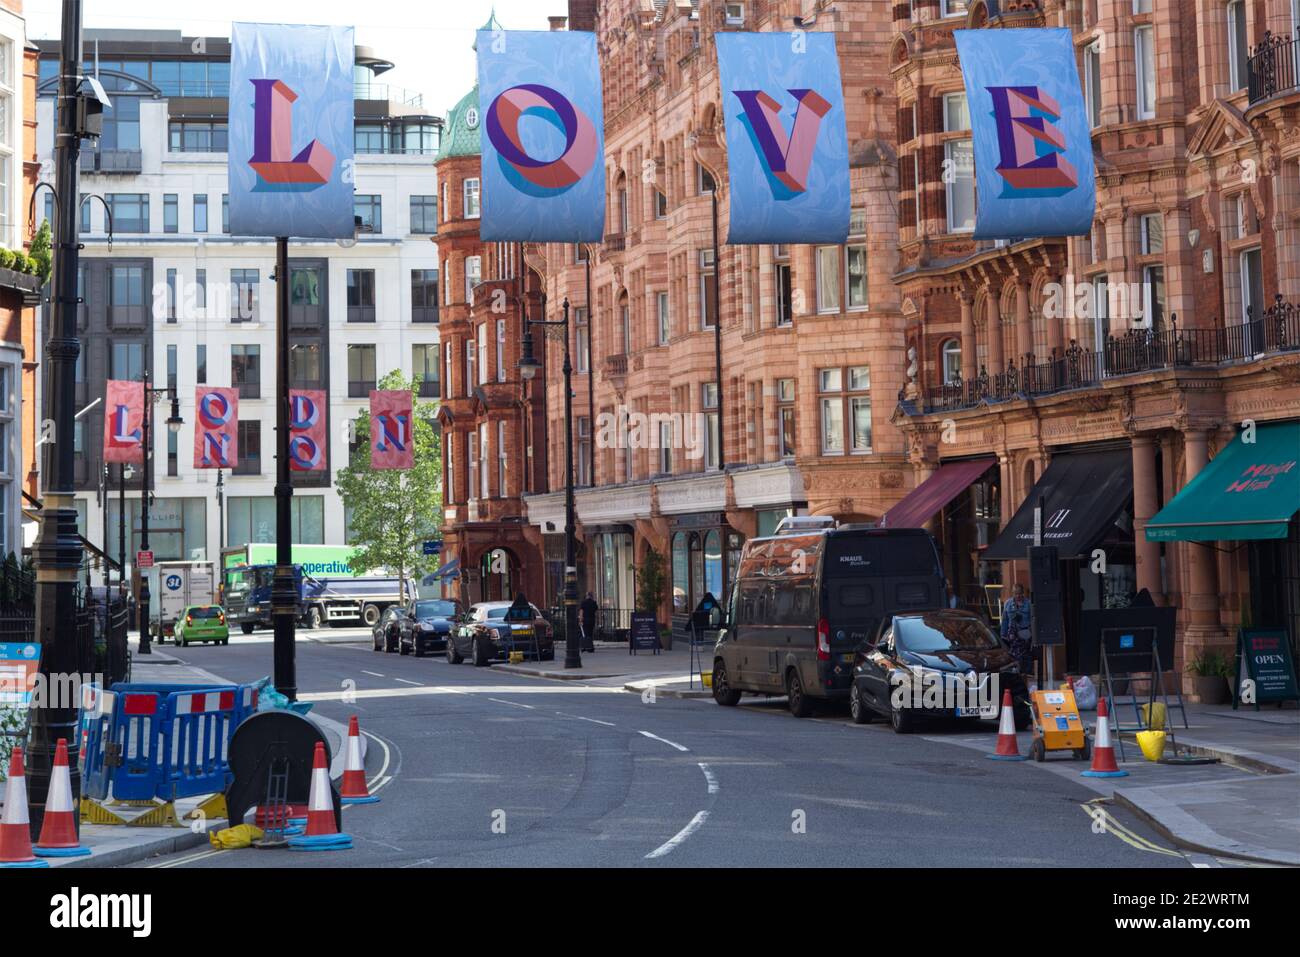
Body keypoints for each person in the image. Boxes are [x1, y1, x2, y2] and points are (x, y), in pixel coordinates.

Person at [1000, 583, 1034, 672]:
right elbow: (1005, 620)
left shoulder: (1028, 604)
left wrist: (1032, 633)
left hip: (1025, 633)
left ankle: (1026, 673)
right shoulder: (1008, 603)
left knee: (1025, 655)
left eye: (1020, 593)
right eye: (1016, 593)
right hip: (1012, 634)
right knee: (1013, 656)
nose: (1018, 596)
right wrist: (1003, 635)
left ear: (1023, 593)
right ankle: (1016, 672)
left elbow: (1032, 619)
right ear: (1013, 593)